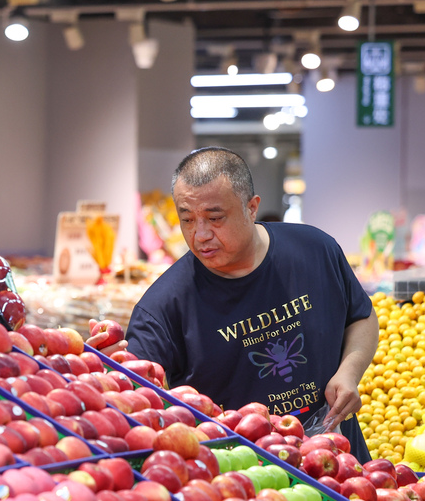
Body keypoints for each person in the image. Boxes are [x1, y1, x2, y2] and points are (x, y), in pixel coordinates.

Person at [124, 147, 378, 460]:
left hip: (342, 459)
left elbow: (361, 316)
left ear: (252, 207)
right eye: (187, 219)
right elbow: (134, 399)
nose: (200, 235)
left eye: (215, 218)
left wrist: (349, 373)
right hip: (244, 479)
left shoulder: (315, 250)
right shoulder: (162, 308)